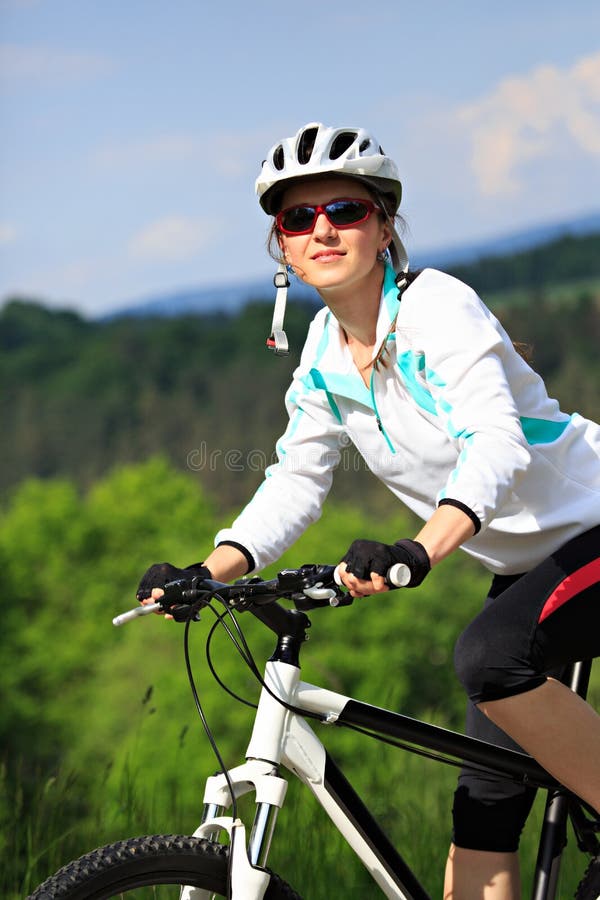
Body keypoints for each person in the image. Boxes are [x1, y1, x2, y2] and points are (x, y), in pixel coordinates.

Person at [137, 122, 600, 899]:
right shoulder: (320, 352)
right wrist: (208, 572)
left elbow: (497, 442)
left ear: (384, 227)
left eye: (345, 209)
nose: (321, 229)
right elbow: (296, 480)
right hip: (526, 563)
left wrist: (419, 550)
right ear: (281, 247)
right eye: (297, 218)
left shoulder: (438, 309)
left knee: (489, 657)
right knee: (483, 804)